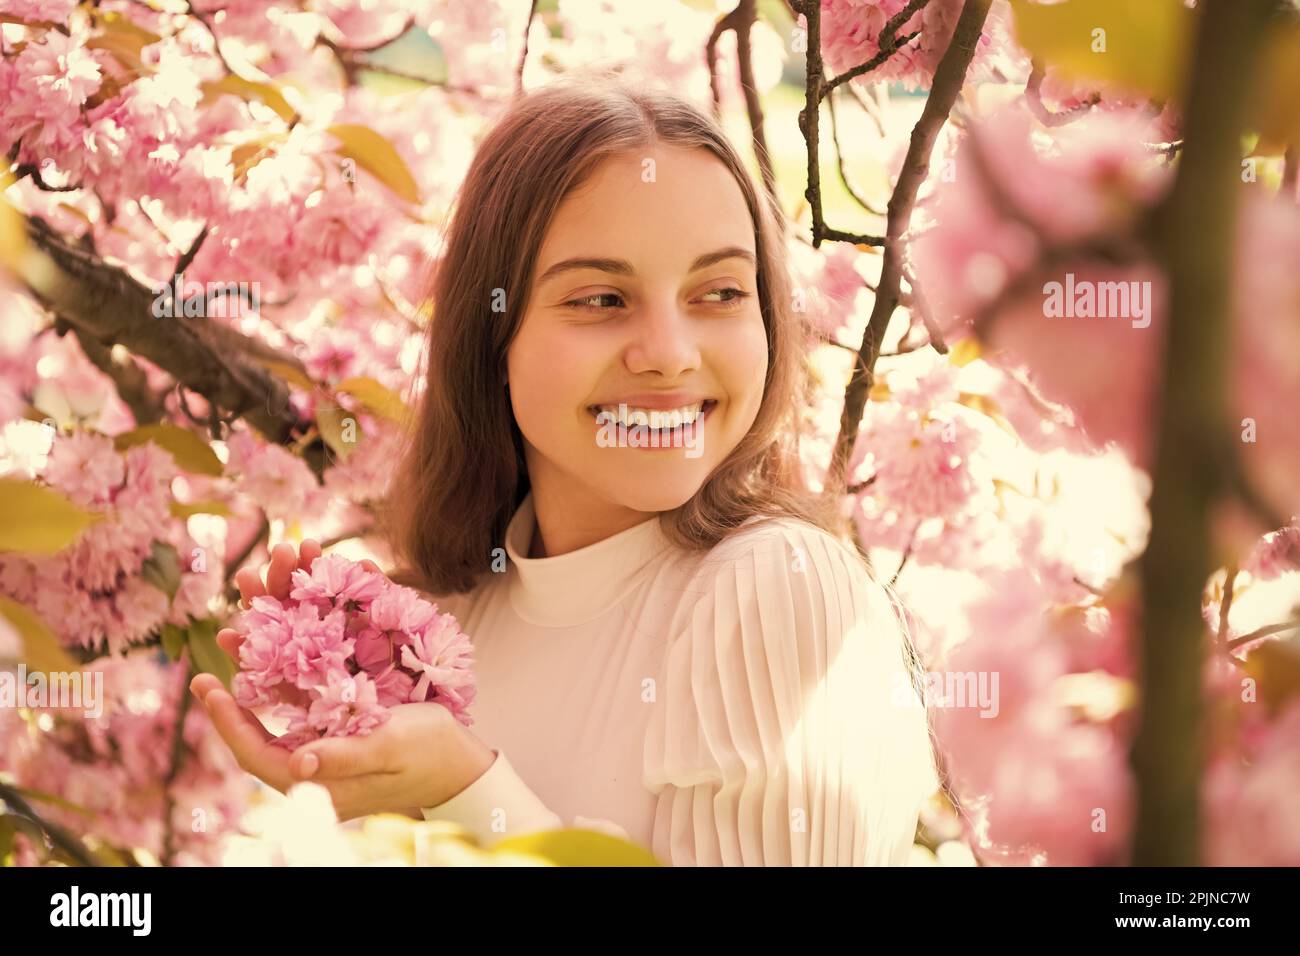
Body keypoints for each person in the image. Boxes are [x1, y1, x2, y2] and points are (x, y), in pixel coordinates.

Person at [191, 73, 939, 866]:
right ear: (495, 340)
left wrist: (463, 789)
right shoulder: (455, 622)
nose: (669, 355)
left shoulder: (773, 587)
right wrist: (370, 747)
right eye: (600, 300)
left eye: (719, 292)